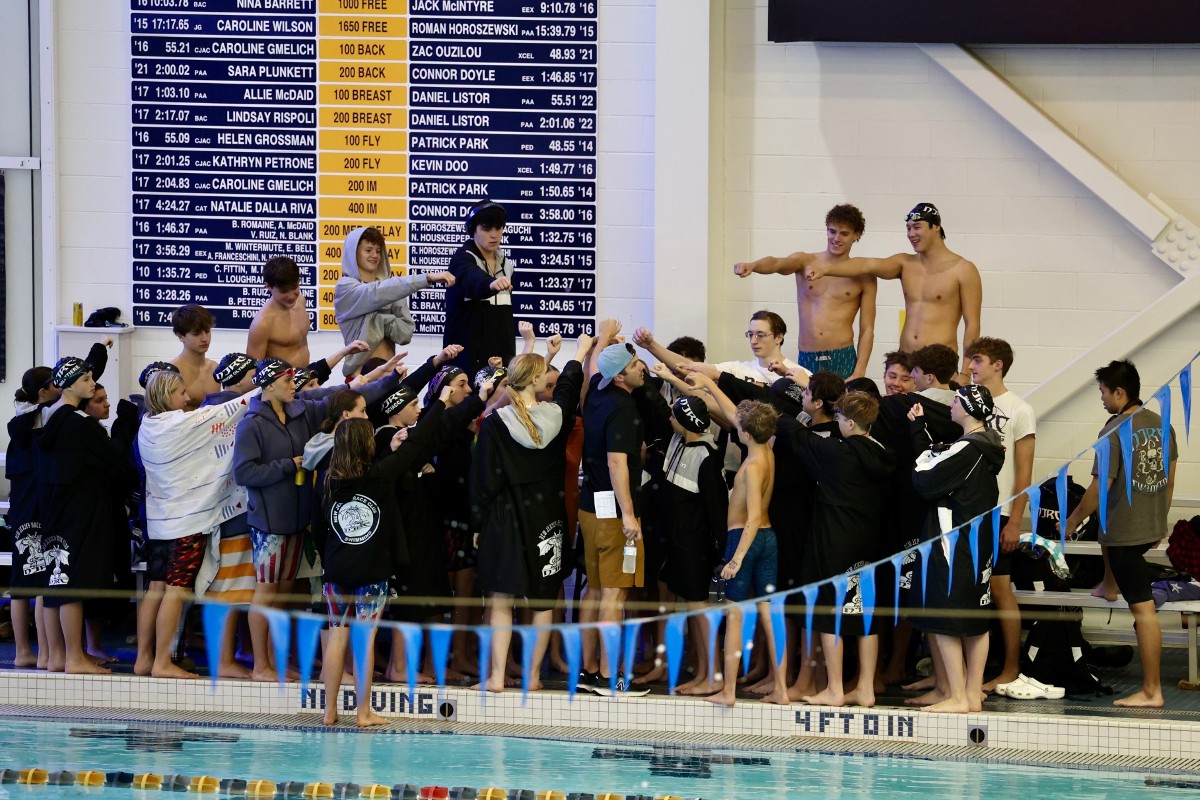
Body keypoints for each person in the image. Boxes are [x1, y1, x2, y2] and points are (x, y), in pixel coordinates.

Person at [232, 353, 404, 681]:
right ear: (268, 385)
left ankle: (274, 661)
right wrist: (289, 465)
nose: (293, 385)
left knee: (283, 594)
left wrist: (389, 379)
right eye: (287, 380)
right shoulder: (251, 423)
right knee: (266, 593)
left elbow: (344, 395)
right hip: (268, 523)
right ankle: (260, 666)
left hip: (296, 519)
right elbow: (243, 472)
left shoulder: (301, 409)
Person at [320, 387, 450, 726]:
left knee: (336, 635)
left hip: (335, 569)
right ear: (367, 445)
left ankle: (329, 712)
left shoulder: (328, 481)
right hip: (371, 570)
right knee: (364, 637)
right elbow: (417, 444)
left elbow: (317, 528)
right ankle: (363, 713)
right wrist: (441, 402)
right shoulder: (379, 476)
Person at [471, 335, 592, 692]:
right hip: (547, 517)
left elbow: (483, 478)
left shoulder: (494, 424)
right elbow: (569, 388)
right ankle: (534, 677)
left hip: (505, 517)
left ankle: (495, 678)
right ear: (537, 382)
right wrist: (580, 352)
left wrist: (479, 522)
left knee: (501, 601)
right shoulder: (557, 416)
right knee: (542, 601)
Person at [1062, 360, 1176, 708]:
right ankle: (1109, 585)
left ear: (1119, 392)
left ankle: (1152, 690)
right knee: (1105, 530)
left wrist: (1071, 520)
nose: (1101, 399)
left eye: (1102, 392)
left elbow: (1098, 489)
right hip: (1146, 527)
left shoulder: (1114, 431)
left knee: (1144, 612)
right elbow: (1168, 477)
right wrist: (1160, 520)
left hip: (1127, 535)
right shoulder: (1161, 424)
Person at [136, 369, 260, 679]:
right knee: (177, 591)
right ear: (166, 396)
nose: (188, 397)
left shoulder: (147, 426)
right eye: (180, 392)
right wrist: (265, 387)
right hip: (184, 525)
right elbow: (228, 411)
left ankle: (143, 658)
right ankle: (163, 662)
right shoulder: (181, 423)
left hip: (159, 525)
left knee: (156, 589)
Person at [777, 389, 894, 708]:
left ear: (853, 423)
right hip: (868, 542)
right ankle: (866, 688)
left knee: (830, 614)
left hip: (835, 540)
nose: (837, 423)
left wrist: (780, 414)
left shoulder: (839, 453)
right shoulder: (881, 450)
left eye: (840, 418)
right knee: (863, 615)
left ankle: (834, 689)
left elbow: (799, 437)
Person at [804, 203, 982, 382]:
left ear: (936, 227)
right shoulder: (904, 263)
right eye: (908, 228)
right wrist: (825, 269)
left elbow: (972, 325)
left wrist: (966, 373)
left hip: (939, 366)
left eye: (917, 227)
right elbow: (867, 265)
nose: (911, 234)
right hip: (905, 361)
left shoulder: (963, 270)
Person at [908, 384, 1004, 714]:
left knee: (944, 619)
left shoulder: (967, 449)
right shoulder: (988, 447)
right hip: (979, 544)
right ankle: (970, 693)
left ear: (966, 407)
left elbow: (923, 481)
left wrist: (918, 435)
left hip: (953, 543)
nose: (950, 406)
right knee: (976, 619)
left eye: (955, 401)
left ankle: (959, 698)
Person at [685, 389, 784, 707]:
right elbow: (738, 417)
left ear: (745, 433)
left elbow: (753, 516)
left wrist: (736, 559)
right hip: (769, 540)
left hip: (746, 538)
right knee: (769, 616)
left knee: (736, 617)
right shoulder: (767, 449)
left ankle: (728, 691)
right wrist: (711, 386)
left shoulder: (752, 466)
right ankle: (781, 688)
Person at [37, 357, 133, 674]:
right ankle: (75, 657)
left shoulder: (53, 417)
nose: (93, 383)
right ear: (72, 382)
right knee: (72, 586)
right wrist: (124, 423)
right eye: (88, 379)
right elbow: (114, 457)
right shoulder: (78, 423)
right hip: (78, 512)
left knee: (56, 584)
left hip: (57, 510)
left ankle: (56, 656)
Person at [964, 337, 1036, 692]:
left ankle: (1010, 667)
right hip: (966, 511)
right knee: (966, 589)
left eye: (977, 359)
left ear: (998, 365)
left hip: (998, 513)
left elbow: (1024, 473)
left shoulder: (1020, 409)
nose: (971, 366)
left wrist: (1013, 520)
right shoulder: (965, 402)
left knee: (999, 589)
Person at [733, 204, 877, 379]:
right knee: (808, 405)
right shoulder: (805, 261)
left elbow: (867, 328)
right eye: (832, 231)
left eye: (844, 233)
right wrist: (754, 265)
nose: (836, 238)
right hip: (809, 354)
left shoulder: (863, 274)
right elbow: (777, 263)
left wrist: (860, 370)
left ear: (857, 235)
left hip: (842, 354)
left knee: (843, 406)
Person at [578, 341, 649, 692]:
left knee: (594, 590)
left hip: (589, 505)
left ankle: (589, 669)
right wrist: (629, 514)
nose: (642, 368)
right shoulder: (622, 408)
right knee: (614, 594)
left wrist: (600, 340)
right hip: (613, 514)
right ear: (620, 376)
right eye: (635, 364)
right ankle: (609, 676)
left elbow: (593, 370)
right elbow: (617, 461)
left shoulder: (595, 392)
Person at [333, 226, 454, 377]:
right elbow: (374, 293)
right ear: (353, 254)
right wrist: (426, 278)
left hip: (391, 375)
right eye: (368, 250)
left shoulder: (391, 290)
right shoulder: (346, 288)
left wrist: (382, 320)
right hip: (359, 377)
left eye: (378, 251)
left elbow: (405, 334)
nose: (374, 255)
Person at [442, 199, 516, 374]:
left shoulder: (507, 264)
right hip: (466, 360)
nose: (494, 235)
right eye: (486, 228)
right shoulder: (462, 259)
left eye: (498, 228)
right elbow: (471, 277)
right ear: (472, 230)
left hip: (501, 358)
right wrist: (490, 283)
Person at [246, 256, 314, 368]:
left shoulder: (301, 301)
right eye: (284, 291)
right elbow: (253, 372)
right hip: (281, 384)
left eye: (294, 287)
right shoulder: (262, 324)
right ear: (267, 286)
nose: (292, 296)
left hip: (306, 379)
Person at [170, 304, 220, 411]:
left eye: (207, 331)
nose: (205, 338)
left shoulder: (215, 368)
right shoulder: (173, 373)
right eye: (196, 334)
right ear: (180, 336)